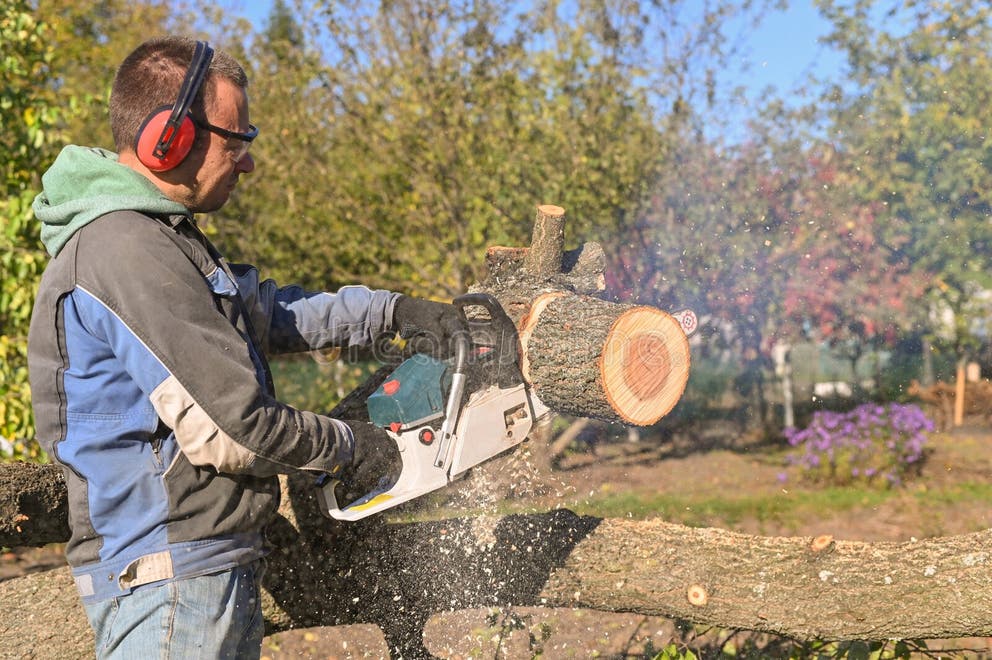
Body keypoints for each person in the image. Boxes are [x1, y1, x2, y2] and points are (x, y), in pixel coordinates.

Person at [27, 36, 467, 659]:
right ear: (170, 137)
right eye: (234, 142)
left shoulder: (164, 244)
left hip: (193, 571)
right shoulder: (126, 252)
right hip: (172, 581)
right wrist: (349, 446)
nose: (247, 163)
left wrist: (393, 311)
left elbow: (269, 310)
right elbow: (228, 428)